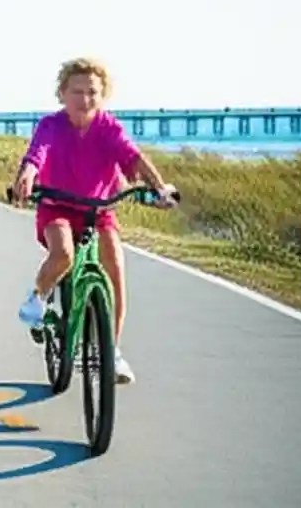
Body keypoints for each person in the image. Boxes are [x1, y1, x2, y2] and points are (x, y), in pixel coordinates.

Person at [10, 57, 178, 384]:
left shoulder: (108, 127)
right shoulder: (50, 125)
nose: (85, 99)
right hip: (57, 207)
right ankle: (38, 297)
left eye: (92, 92)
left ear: (102, 97)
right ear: (62, 94)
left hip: (98, 211)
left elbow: (132, 157)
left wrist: (159, 187)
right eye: (77, 91)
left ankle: (111, 351)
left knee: (114, 265)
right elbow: (36, 155)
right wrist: (27, 175)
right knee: (64, 255)